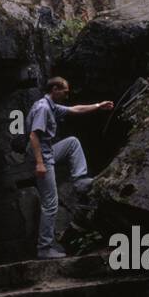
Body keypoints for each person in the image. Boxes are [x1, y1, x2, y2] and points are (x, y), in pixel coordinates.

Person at [27, 77, 113, 259]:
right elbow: (34, 136)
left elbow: (75, 109)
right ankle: (44, 248)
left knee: (72, 143)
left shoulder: (51, 105)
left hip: (49, 151)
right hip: (41, 157)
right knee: (50, 203)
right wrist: (40, 163)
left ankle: (80, 180)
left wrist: (98, 105)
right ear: (55, 89)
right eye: (65, 92)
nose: (67, 95)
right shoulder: (43, 108)